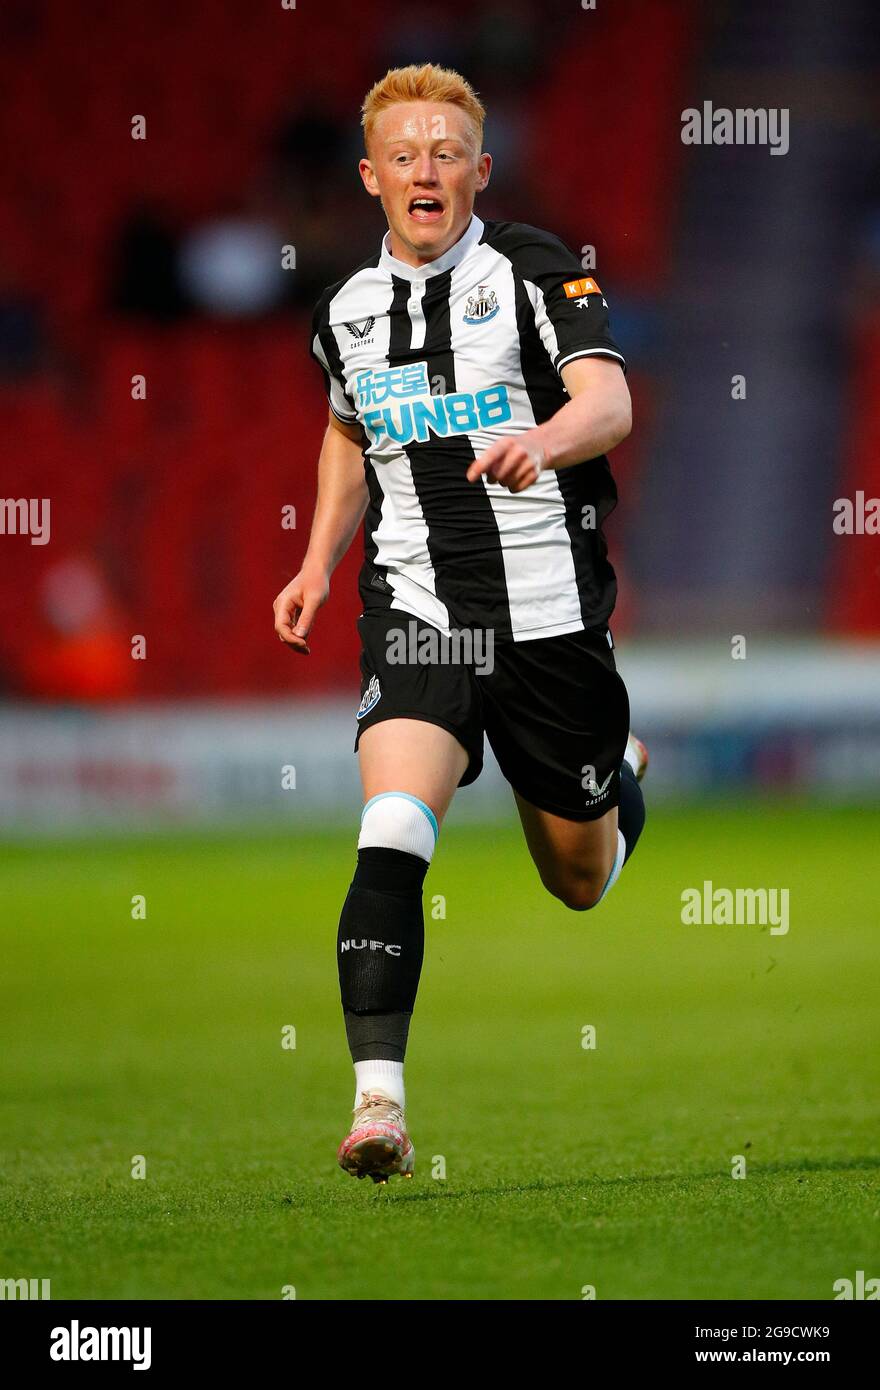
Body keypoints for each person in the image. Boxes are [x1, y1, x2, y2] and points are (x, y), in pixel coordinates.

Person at [273, 63, 647, 1183]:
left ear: (478, 171)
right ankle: (377, 1105)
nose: (424, 169)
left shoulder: (535, 268)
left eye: (445, 152)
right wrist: (314, 563)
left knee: (575, 877)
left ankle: (618, 770)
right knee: (392, 827)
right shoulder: (343, 312)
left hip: (547, 625)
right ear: (372, 177)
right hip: (419, 611)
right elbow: (349, 435)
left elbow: (610, 400)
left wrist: (548, 438)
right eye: (403, 154)